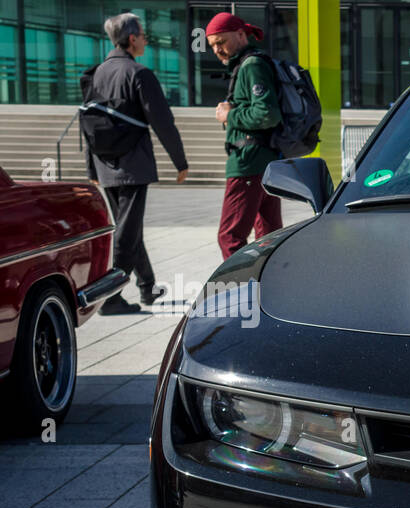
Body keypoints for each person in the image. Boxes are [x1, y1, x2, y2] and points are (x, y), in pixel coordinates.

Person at [84, 13, 188, 315]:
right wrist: (180, 161)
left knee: (129, 227)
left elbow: (87, 124)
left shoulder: (95, 74)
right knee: (127, 232)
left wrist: (92, 170)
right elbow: (163, 121)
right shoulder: (139, 74)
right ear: (132, 39)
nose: (145, 40)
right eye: (143, 35)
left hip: (105, 164)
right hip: (133, 165)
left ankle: (147, 287)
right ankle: (110, 296)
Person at [205, 12, 284, 259]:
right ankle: (270, 285)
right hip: (263, 159)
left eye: (221, 41)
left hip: (249, 160)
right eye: (212, 45)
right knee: (268, 235)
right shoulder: (248, 64)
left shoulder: (252, 65)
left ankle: (242, 291)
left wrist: (231, 115)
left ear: (240, 35)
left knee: (230, 237)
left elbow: (267, 113)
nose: (217, 49)